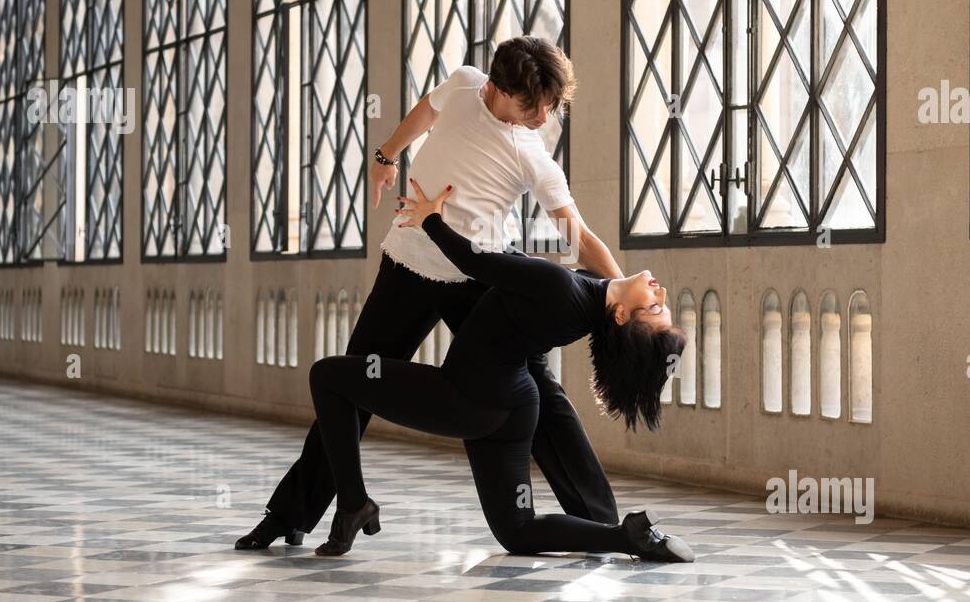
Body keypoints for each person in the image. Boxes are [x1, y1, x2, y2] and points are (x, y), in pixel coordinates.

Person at [237, 38, 626, 550]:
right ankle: (289, 514)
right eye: (533, 106)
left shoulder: (532, 154)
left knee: (541, 397)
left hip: (480, 285)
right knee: (353, 386)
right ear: (496, 88)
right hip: (408, 268)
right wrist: (385, 155)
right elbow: (426, 110)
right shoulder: (465, 84)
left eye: (551, 105)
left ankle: (601, 522)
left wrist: (622, 292)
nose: (543, 116)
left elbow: (577, 235)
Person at [309, 179, 694, 563]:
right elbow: (588, 259)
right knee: (517, 530)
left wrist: (431, 220)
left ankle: (352, 503)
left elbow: (477, 262)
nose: (660, 293)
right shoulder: (586, 300)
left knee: (328, 376)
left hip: (465, 397)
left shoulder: (563, 288)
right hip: (511, 407)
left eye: (655, 307)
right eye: (662, 303)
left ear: (623, 315)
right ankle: (628, 538)